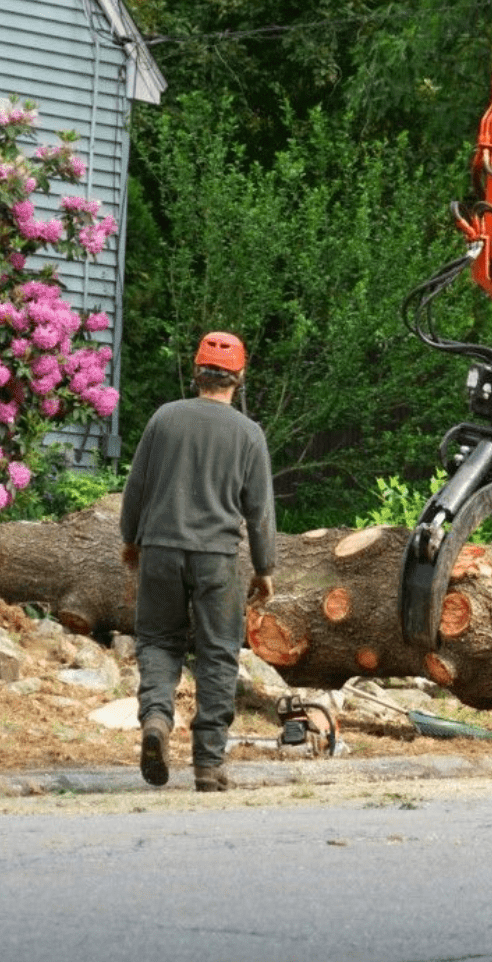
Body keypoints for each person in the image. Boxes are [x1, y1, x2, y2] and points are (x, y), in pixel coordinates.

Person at [120, 331, 276, 792]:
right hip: (216, 559)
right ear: (239, 378)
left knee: (158, 642)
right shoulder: (248, 434)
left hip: (161, 551)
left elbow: (136, 488)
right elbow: (260, 510)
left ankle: (156, 720)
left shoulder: (164, 419)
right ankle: (208, 765)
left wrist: (131, 538)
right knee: (217, 653)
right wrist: (265, 568)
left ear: (196, 372)